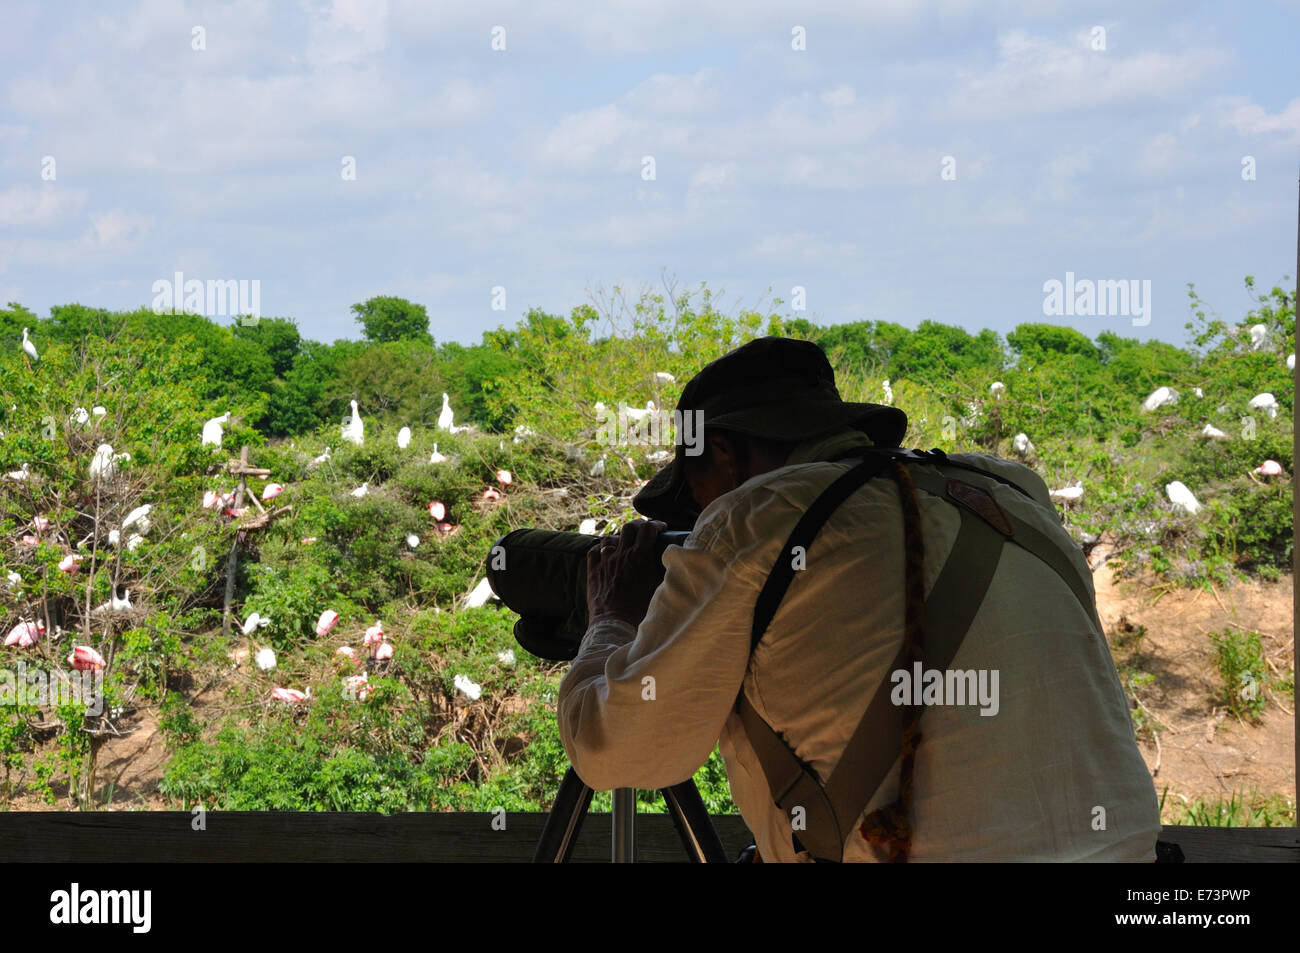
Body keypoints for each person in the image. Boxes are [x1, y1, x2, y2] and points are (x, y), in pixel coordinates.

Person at [557, 336, 1160, 862]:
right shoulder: (1012, 490)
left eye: (695, 489)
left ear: (721, 452)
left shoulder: (757, 515)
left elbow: (618, 755)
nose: (700, 510)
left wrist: (613, 617)